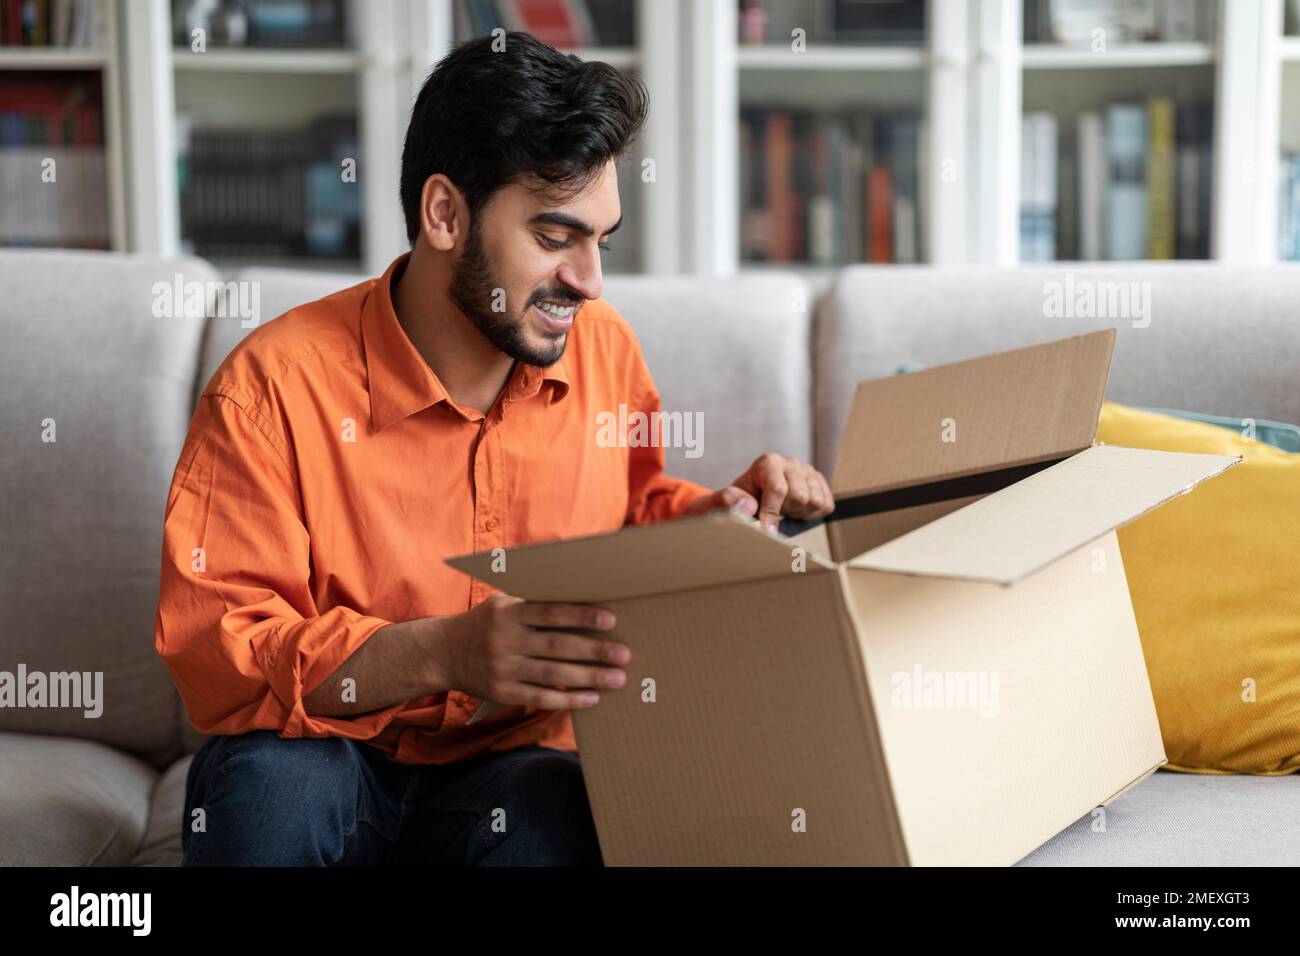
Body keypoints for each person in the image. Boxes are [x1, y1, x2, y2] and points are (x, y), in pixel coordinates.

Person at [156, 31, 834, 867]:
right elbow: (221, 656)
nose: (590, 280)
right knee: (271, 798)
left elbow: (630, 509)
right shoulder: (272, 388)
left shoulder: (603, 351)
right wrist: (447, 652)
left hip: (512, 773)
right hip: (322, 751)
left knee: (571, 821)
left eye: (602, 242)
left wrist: (726, 518)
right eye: (556, 237)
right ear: (445, 214)